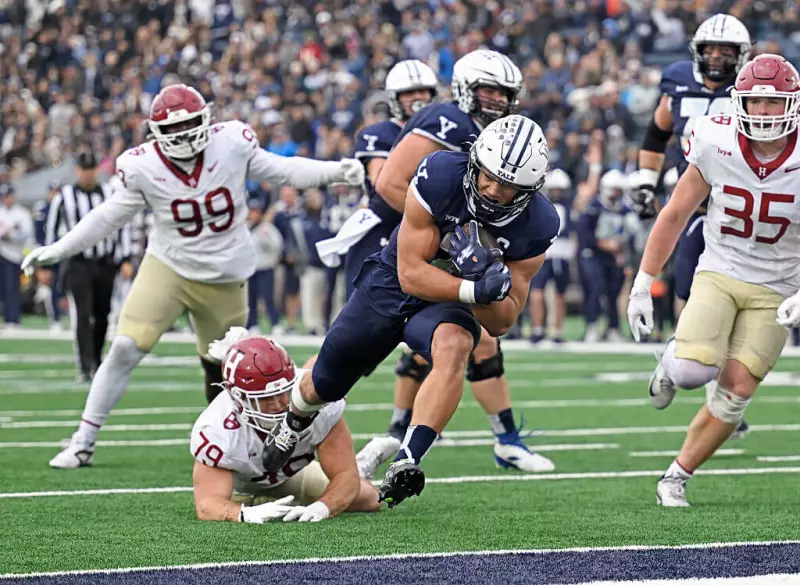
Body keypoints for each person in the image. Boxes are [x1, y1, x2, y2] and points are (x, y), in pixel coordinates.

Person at [21, 83, 365, 469]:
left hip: (224, 276)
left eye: (189, 124)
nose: (183, 135)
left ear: (206, 119)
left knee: (224, 374)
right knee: (123, 347)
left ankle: (245, 456)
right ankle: (83, 441)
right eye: (173, 128)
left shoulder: (231, 142)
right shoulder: (141, 165)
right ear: (155, 133)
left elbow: (282, 169)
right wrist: (59, 249)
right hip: (168, 267)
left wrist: (337, 170)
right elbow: (108, 216)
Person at [263, 115, 560, 508]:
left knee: (455, 345)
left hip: (450, 300)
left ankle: (408, 457)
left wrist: (487, 288)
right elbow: (410, 274)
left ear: (529, 189)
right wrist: (473, 285)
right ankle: (294, 422)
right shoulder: (439, 174)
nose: (491, 189)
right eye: (487, 175)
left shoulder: (538, 223)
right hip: (393, 281)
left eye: (507, 186)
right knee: (322, 384)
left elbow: (503, 321)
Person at [627, 54, 800, 507]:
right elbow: (676, 212)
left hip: (780, 285)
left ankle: (676, 475)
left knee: (736, 392)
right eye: (756, 102)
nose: (763, 113)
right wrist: (643, 282)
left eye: (774, 102)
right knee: (691, 371)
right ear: (739, 101)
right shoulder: (715, 138)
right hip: (722, 269)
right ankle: (671, 358)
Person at [373, 50, 554, 472]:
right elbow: (391, 184)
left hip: (441, 246)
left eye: (503, 93)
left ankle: (500, 438)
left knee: (476, 339)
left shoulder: (496, 136)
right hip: (398, 241)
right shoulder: (450, 122)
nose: (495, 100)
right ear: (465, 89)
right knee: (364, 342)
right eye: (487, 90)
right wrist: (448, 237)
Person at [630, 12, 753, 437]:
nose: (717, 58)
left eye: (726, 51)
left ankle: (701, 379)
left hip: (743, 206)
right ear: (696, 53)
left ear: (742, 56)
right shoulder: (678, 82)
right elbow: (655, 135)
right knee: (689, 289)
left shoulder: (754, 89)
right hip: (696, 201)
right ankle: (689, 364)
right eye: (710, 50)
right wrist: (646, 181)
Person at [192, 330, 399, 523]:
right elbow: (207, 504)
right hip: (239, 488)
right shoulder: (217, 427)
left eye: (283, 392)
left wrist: (321, 508)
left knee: (370, 499)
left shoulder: (314, 402)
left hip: (289, 475)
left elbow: (344, 477)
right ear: (239, 398)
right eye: (266, 397)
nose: (279, 403)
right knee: (241, 502)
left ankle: (359, 467)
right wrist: (243, 513)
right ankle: (358, 467)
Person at [43, 151, 133, 382]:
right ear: (77, 171)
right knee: (83, 313)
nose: (88, 173)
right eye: (84, 169)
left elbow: (122, 224)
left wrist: (124, 258)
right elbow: (52, 230)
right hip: (78, 263)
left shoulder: (109, 193)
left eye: (92, 168)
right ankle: (85, 365)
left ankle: (97, 360)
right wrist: (47, 262)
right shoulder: (64, 196)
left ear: (97, 170)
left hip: (105, 262)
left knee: (103, 313)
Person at [529, 169, 573, 344]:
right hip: (544, 253)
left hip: (561, 253)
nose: (557, 193)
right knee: (537, 292)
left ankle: (556, 330)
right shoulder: (540, 205)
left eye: (560, 190)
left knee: (560, 293)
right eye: (555, 189)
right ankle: (537, 328)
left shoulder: (568, 206)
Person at [0, 184, 33, 328]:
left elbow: (27, 234)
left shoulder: (22, 213)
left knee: (12, 287)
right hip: (1, 251)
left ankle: (13, 318)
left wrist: (11, 235)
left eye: (9, 196)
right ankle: (6, 317)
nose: (7, 199)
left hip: (15, 254)